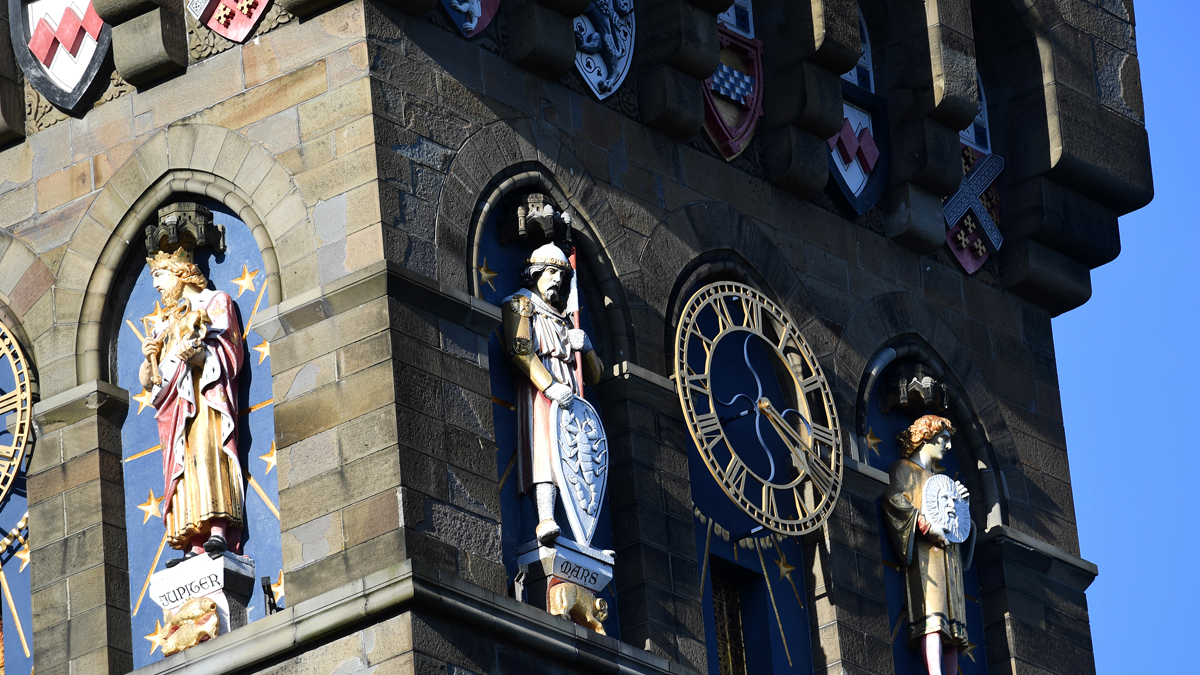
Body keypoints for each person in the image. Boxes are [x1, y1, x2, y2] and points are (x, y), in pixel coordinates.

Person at [140, 248, 245, 561]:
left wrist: (199, 356)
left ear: (181, 271)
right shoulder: (163, 324)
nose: (156, 285)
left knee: (207, 454)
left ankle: (217, 529)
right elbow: (149, 381)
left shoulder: (214, 302)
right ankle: (192, 539)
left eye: (160, 275)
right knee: (182, 468)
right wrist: (149, 358)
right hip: (173, 409)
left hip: (205, 398)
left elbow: (230, 351)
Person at [502, 244, 603, 546]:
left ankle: (578, 522)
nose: (557, 280)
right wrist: (549, 386)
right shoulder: (520, 303)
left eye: (561, 274)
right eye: (551, 272)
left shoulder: (566, 321)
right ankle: (545, 516)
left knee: (574, 455)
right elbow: (520, 350)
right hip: (542, 393)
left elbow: (596, 375)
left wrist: (587, 348)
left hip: (571, 396)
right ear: (535, 274)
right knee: (545, 452)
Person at [883, 414, 975, 675]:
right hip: (926, 559)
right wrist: (925, 526)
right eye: (943, 439)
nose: (948, 446)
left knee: (954, 629)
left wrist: (962, 509)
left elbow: (960, 529)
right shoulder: (903, 470)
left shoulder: (941, 480)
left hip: (949, 559)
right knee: (933, 620)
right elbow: (895, 501)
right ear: (926, 437)